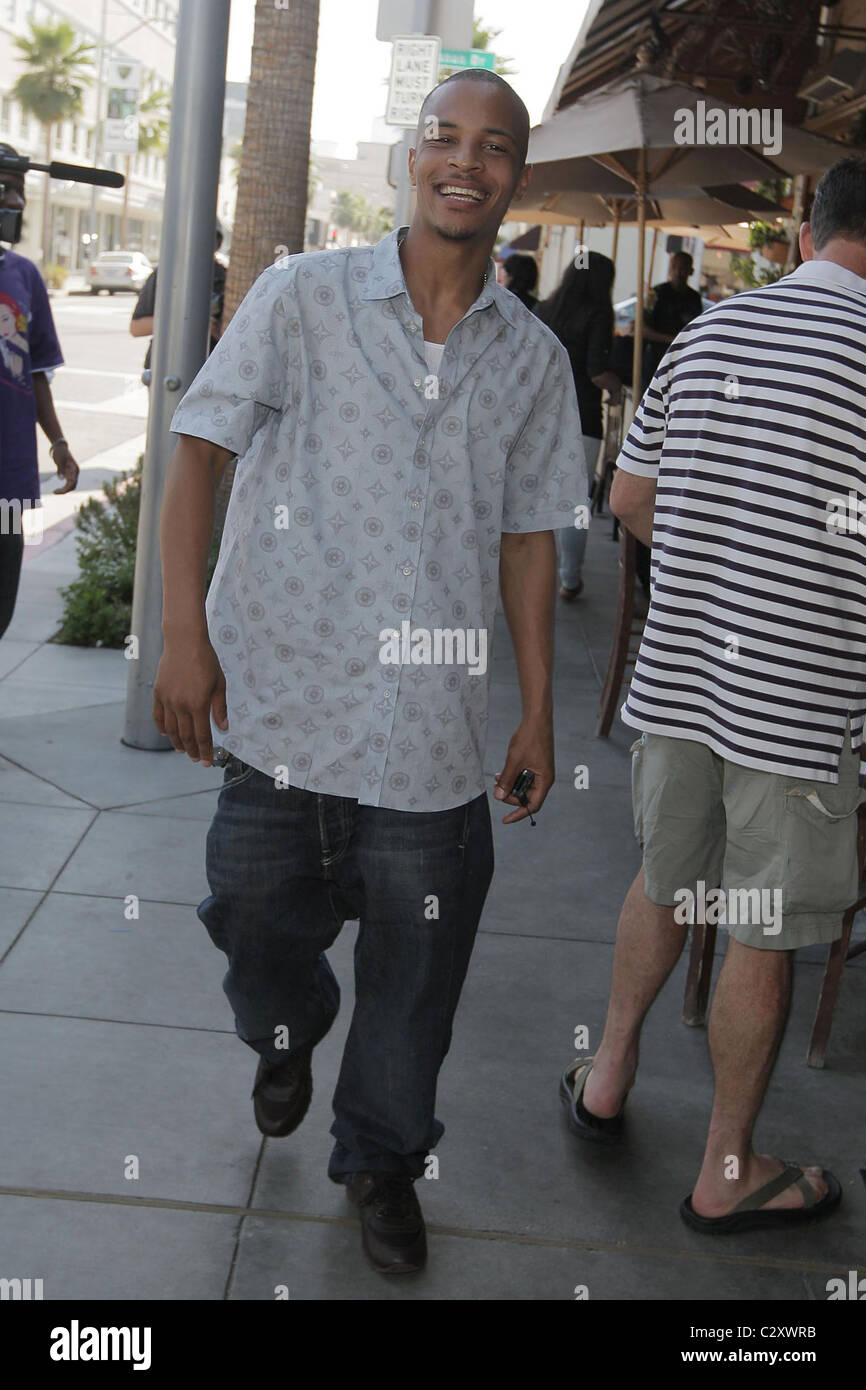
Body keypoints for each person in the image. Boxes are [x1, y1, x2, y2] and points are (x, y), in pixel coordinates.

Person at [154, 69, 584, 1275]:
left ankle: (381, 1160)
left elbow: (526, 539)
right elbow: (199, 447)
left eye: (492, 147)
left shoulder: (532, 359)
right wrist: (182, 635)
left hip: (431, 743)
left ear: (514, 176)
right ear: (410, 155)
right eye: (445, 137)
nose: (465, 161)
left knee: (417, 980)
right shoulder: (303, 295)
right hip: (282, 714)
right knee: (251, 923)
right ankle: (287, 1030)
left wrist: (538, 711)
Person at [560, 155, 866, 1234]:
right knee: (760, 932)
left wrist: (717, 568)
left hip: (682, 676)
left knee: (665, 879)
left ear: (807, 233)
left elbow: (629, 496)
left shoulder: (708, 332)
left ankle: (605, 1078)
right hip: (804, 702)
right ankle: (725, 1172)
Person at [0, 143, 79, 639]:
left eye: (20, 190)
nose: (16, 201)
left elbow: (34, 372)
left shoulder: (24, 275)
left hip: (8, 481)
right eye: (4, 188)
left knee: (1, 602)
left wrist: (59, 443)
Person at [535, 252, 621, 600]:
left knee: (535, 497)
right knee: (574, 503)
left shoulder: (545, 309)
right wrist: (616, 388)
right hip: (582, 417)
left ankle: (530, 572)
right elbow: (595, 371)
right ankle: (569, 579)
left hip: (538, 414)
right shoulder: (598, 314)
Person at [130, 220, 226, 377]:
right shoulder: (165, 273)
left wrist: (210, 327)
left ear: (217, 242)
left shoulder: (224, 278)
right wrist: (184, 320)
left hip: (208, 372)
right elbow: (136, 327)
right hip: (165, 367)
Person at [639, 249, 703, 386]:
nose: (678, 272)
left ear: (691, 271)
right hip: (654, 358)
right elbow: (643, 329)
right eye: (674, 267)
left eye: (683, 268)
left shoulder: (694, 299)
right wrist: (671, 339)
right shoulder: (656, 293)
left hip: (679, 360)